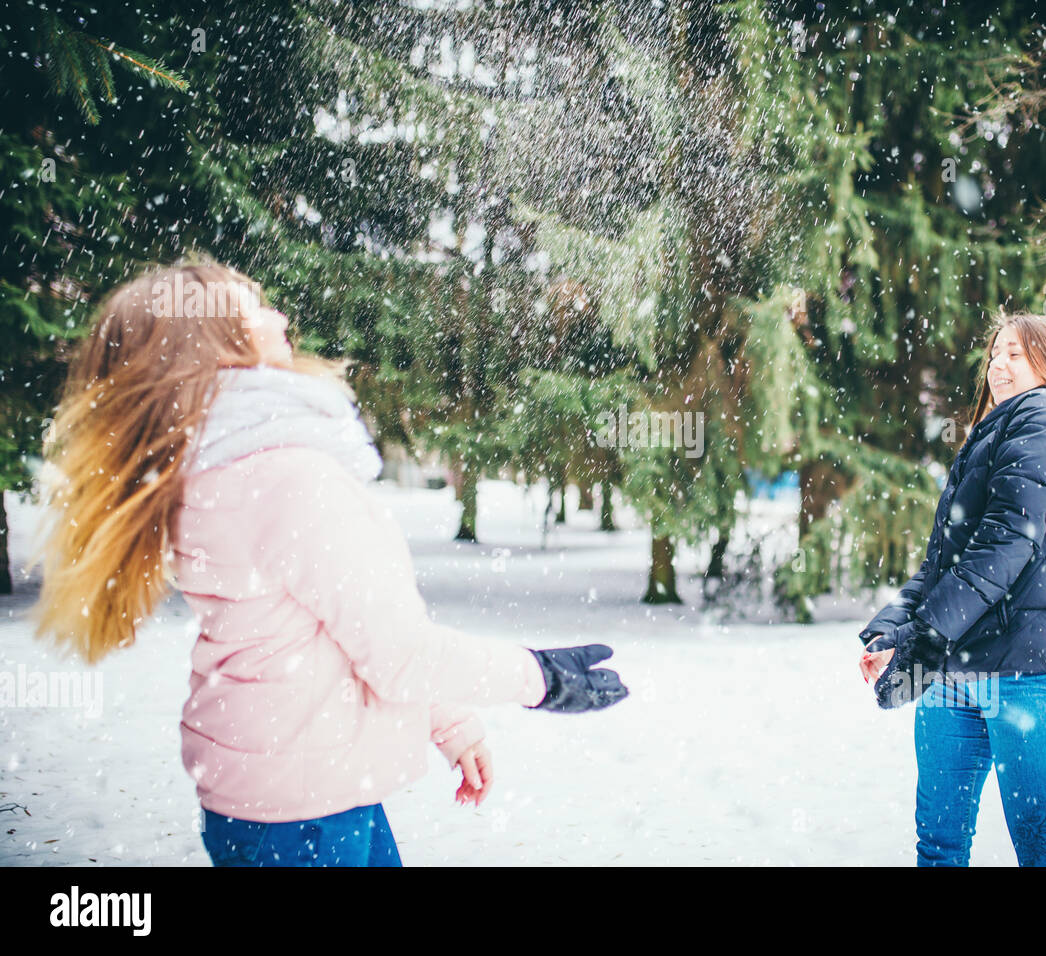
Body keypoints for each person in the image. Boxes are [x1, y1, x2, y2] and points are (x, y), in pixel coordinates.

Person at [27, 261, 628, 867]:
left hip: (292, 792)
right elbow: (400, 654)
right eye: (252, 308)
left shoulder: (221, 469)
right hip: (306, 818)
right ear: (211, 342)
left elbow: (340, 633)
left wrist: (448, 721)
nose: (279, 316)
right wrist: (541, 677)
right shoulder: (282, 476)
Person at [858, 310, 1046, 867]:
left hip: (1028, 670)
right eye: (995, 354)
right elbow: (945, 562)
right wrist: (891, 632)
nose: (999, 364)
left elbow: (1006, 542)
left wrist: (923, 639)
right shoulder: (992, 434)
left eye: (1016, 353)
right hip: (957, 670)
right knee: (941, 845)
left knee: (1039, 851)